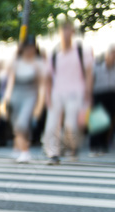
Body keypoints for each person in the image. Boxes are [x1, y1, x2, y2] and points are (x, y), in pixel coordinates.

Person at [44, 17, 93, 165]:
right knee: (51, 124)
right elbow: (47, 78)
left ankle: (71, 146)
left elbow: (89, 74)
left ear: (72, 31)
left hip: (76, 92)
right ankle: (53, 153)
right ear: (60, 32)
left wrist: (87, 95)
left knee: (71, 125)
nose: (66, 33)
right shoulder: (54, 53)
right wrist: (47, 97)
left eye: (68, 29)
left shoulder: (81, 51)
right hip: (57, 92)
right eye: (63, 29)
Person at [2, 40, 47, 164]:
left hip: (30, 95)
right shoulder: (16, 63)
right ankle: (22, 148)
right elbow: (10, 80)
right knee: (17, 124)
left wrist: (40, 104)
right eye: (26, 48)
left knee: (22, 123)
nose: (29, 51)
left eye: (31, 48)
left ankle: (25, 151)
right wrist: (6, 99)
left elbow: (42, 85)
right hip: (16, 95)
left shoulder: (38, 63)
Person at [89, 46, 115, 155]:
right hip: (99, 93)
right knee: (97, 119)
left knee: (108, 120)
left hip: (112, 94)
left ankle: (103, 144)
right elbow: (90, 80)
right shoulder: (97, 66)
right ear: (107, 55)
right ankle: (94, 145)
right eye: (112, 55)